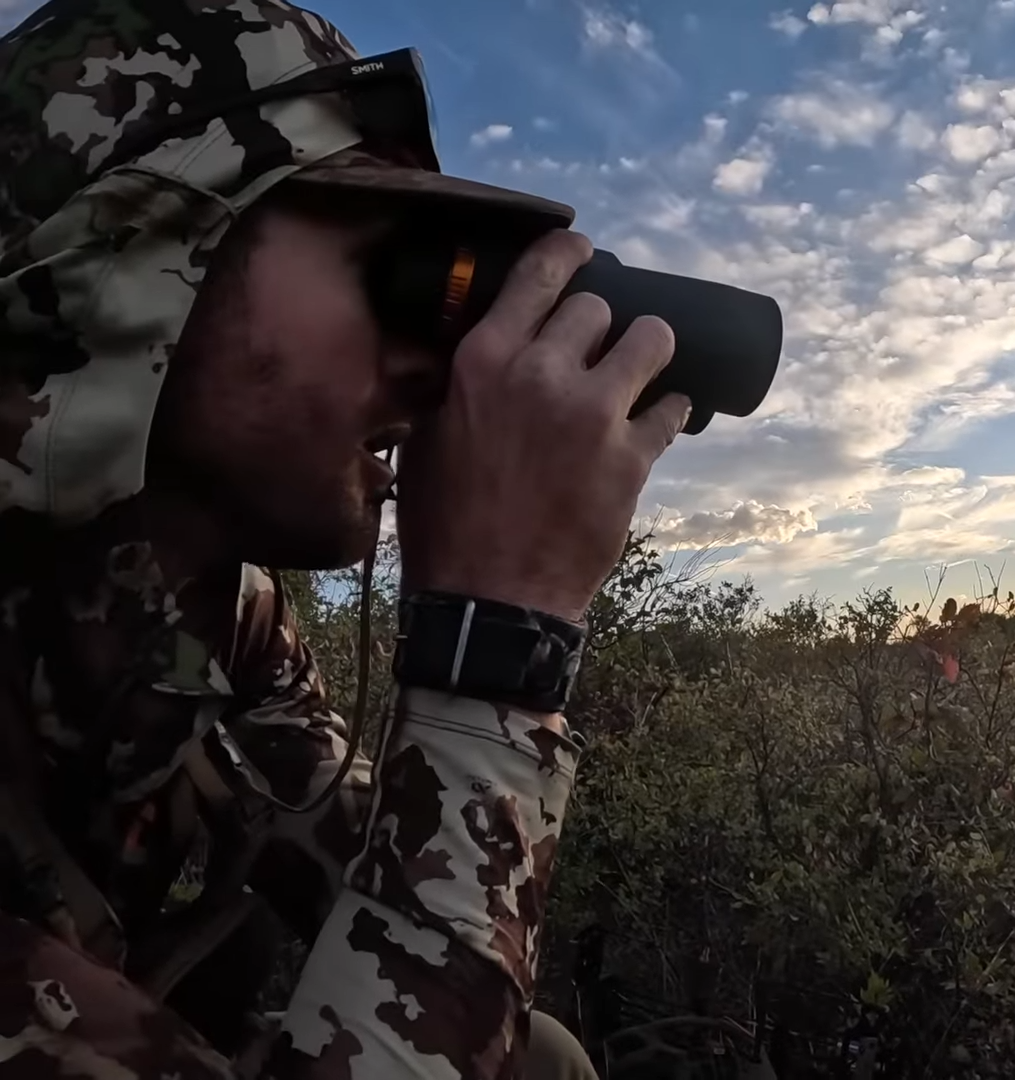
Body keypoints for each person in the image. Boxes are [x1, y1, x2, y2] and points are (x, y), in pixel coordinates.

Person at [0, 0, 691, 1076]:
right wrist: (496, 648)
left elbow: (399, 891)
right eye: (391, 278)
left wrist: (468, 617)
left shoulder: (209, 613)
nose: (437, 368)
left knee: (540, 1061)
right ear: (131, 257)